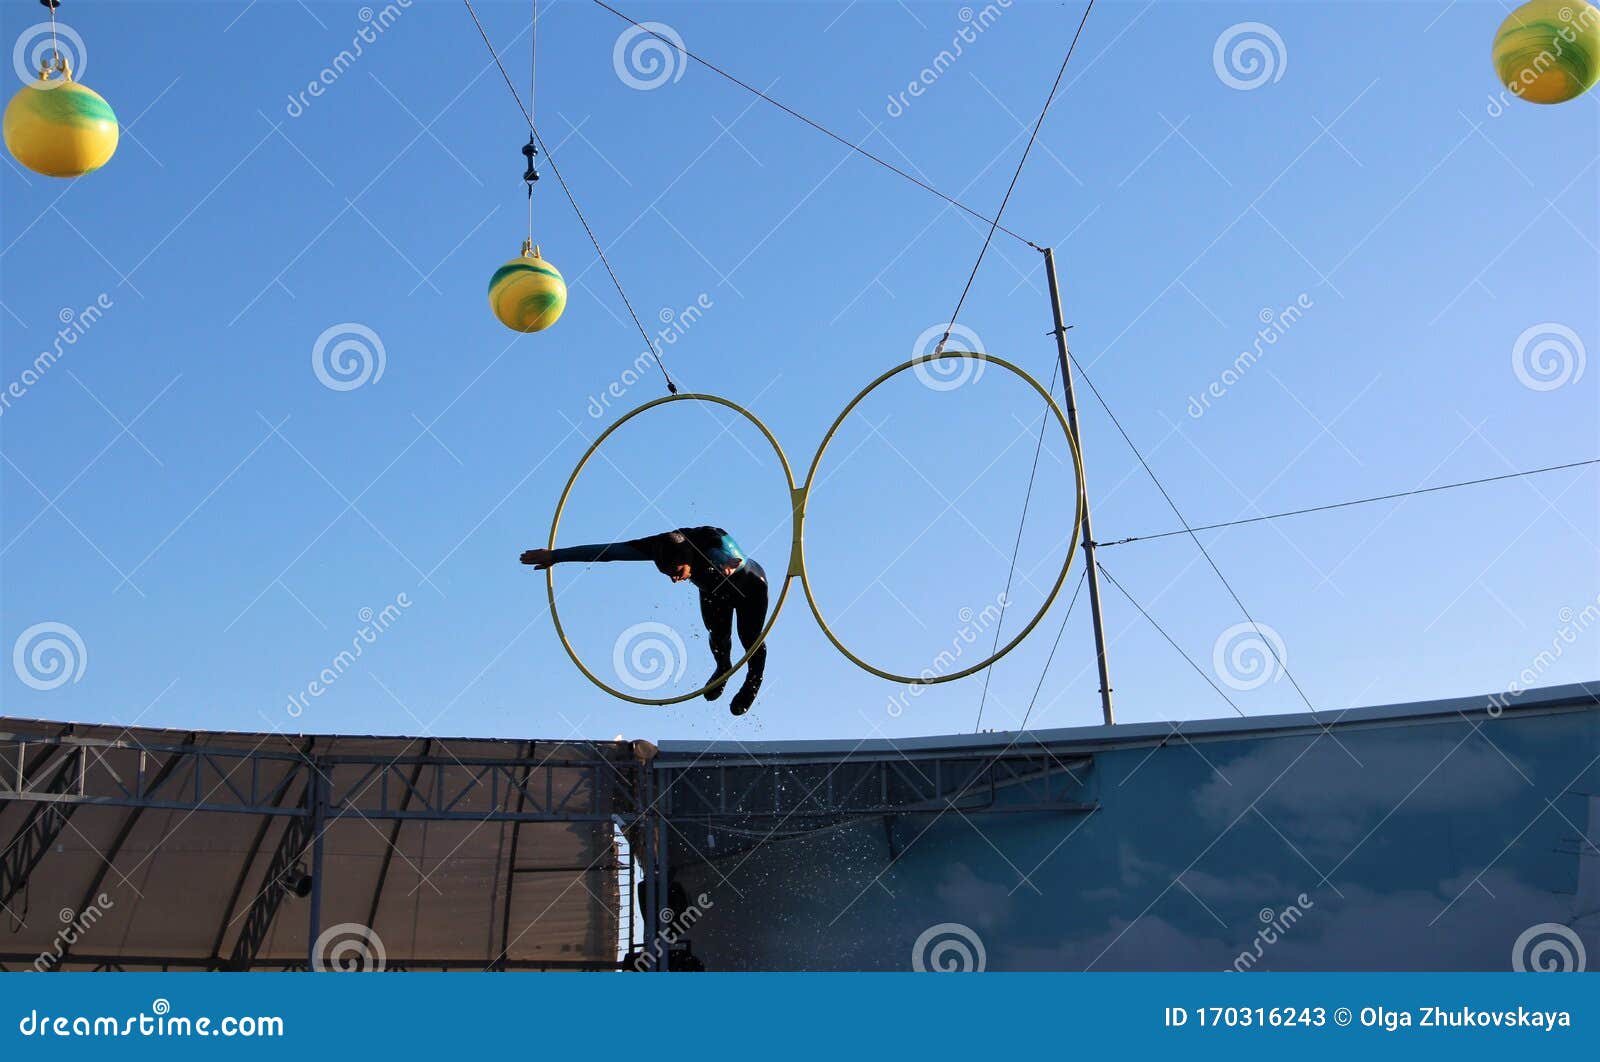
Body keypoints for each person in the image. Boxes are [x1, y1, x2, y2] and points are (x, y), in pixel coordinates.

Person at [521, 527, 768, 715]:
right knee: (718, 635)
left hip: (749, 586)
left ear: (689, 559)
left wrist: (727, 563)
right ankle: (723, 668)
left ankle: (753, 681)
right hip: (713, 591)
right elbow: (608, 552)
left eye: (677, 573)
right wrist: (556, 555)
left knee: (749, 637)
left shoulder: (711, 542)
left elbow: (732, 554)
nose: (674, 580)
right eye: (668, 574)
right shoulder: (658, 545)